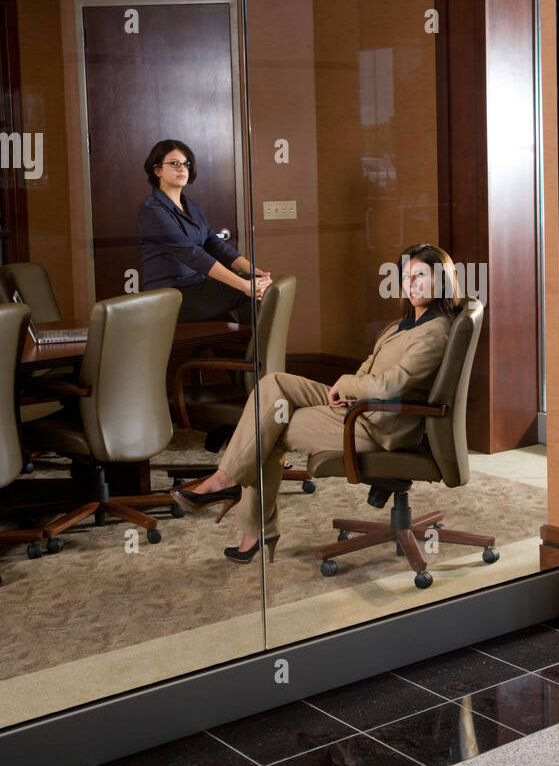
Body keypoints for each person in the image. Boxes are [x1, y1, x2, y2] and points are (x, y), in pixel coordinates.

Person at [172, 244, 460, 563]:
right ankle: (234, 493)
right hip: (359, 404)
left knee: (269, 428)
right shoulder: (406, 322)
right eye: (406, 276)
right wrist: (348, 389)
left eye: (421, 275)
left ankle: (238, 503)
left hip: (378, 424)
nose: (411, 284)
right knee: (273, 384)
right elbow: (370, 363)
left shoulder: (435, 332)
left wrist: (347, 386)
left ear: (442, 280)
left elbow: (390, 385)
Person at [137, 139, 271, 323]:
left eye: (186, 164)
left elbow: (217, 247)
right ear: (157, 170)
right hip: (170, 295)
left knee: (253, 286)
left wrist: (259, 275)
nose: (182, 168)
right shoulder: (153, 211)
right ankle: (255, 351)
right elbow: (193, 255)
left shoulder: (191, 207)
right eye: (174, 163)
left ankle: (249, 350)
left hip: (196, 287)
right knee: (246, 290)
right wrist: (244, 285)